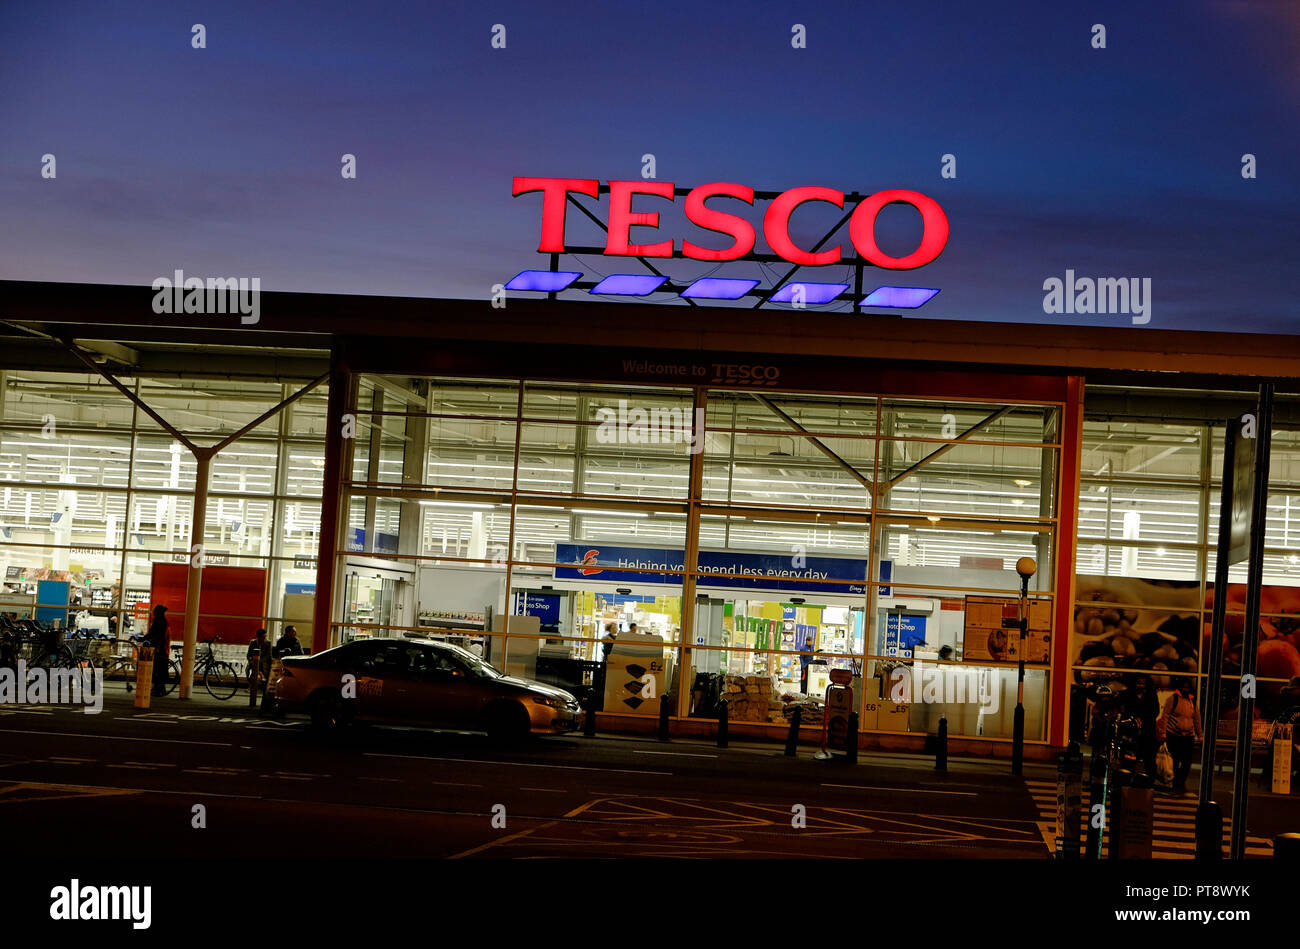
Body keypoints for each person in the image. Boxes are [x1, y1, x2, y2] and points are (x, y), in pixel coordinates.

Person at [1158, 679, 1202, 795]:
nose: (1185, 690)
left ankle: (1180, 783)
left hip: (1188, 736)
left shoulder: (1192, 701)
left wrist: (1200, 735)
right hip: (1174, 735)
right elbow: (1165, 715)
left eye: (1187, 688)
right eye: (1184, 687)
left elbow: (1196, 719)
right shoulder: (1173, 699)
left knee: (1187, 762)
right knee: (1175, 761)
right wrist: (1163, 732)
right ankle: (1176, 784)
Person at [146, 605, 170, 697]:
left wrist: (143, 638)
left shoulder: (158, 621)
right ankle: (161, 689)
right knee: (161, 669)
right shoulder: (164, 621)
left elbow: (152, 633)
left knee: (156, 669)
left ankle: (157, 689)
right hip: (163, 649)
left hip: (158, 649)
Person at [247, 628, 272, 694]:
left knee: (261, 667)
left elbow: (268, 655)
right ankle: (253, 684)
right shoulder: (253, 642)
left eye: (265, 637)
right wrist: (250, 660)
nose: (264, 638)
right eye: (263, 637)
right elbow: (249, 654)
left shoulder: (268, 643)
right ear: (258, 637)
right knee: (251, 667)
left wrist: (259, 661)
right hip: (254, 661)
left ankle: (260, 685)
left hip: (263, 662)